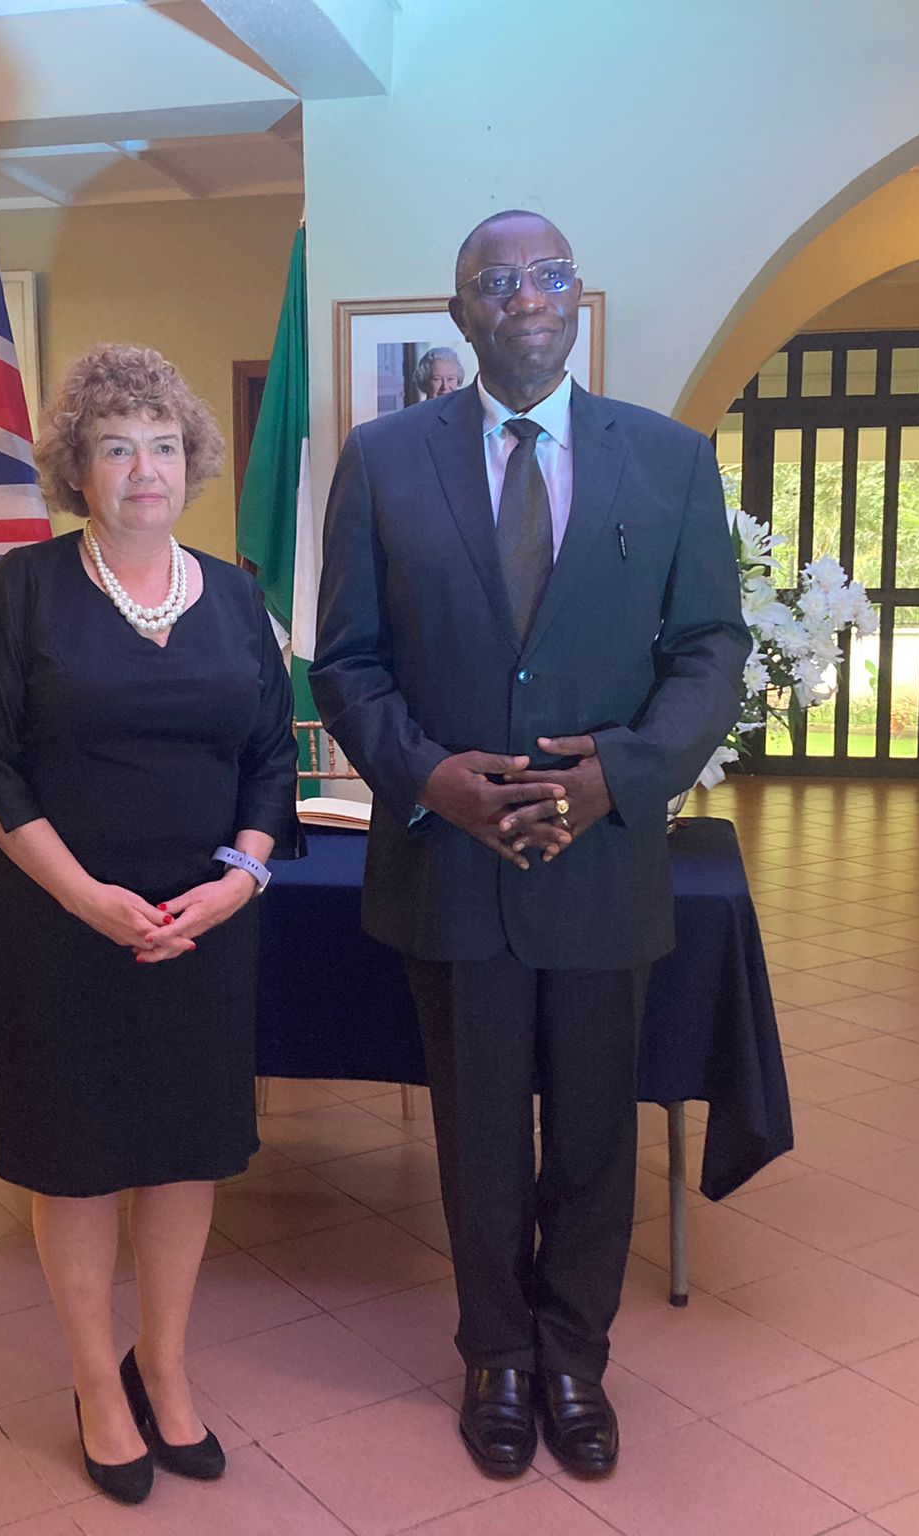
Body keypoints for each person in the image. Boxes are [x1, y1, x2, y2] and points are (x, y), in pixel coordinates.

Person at [312, 210, 748, 1481]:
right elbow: (346, 657)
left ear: (577, 300)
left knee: (599, 1131)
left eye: (544, 275)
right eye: (492, 283)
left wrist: (623, 774)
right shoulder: (384, 462)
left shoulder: (665, 462)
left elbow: (708, 647)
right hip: (452, 865)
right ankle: (495, 1354)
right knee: (480, 1129)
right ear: (460, 316)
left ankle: (575, 1358)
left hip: (602, 862)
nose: (522, 297)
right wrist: (426, 777)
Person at [0, 343, 300, 1504]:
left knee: (182, 1151)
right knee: (73, 1160)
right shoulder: (22, 593)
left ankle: (160, 1365)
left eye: (163, 446)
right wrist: (84, 900)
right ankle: (92, 1383)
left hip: (204, 924)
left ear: (191, 462)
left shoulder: (238, 592)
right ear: (77, 467)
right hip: (63, 927)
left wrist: (238, 882)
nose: (144, 469)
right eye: (116, 447)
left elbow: (270, 759)